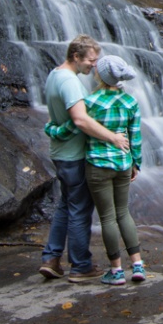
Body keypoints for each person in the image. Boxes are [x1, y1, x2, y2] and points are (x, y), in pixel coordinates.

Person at [39, 35, 130, 283]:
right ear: (76, 57)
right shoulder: (69, 81)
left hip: (60, 152)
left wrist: (52, 130)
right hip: (75, 154)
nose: (94, 65)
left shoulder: (55, 74)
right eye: (91, 60)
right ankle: (80, 266)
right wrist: (113, 138)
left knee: (65, 206)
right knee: (80, 210)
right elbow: (79, 120)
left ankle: (51, 258)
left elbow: (60, 121)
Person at [83, 54, 146, 285]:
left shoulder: (91, 102)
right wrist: (135, 163)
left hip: (98, 165)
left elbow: (77, 128)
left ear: (99, 75)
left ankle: (116, 270)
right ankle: (138, 265)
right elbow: (135, 137)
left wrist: (54, 131)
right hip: (123, 164)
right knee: (123, 213)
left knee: (107, 218)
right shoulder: (130, 102)